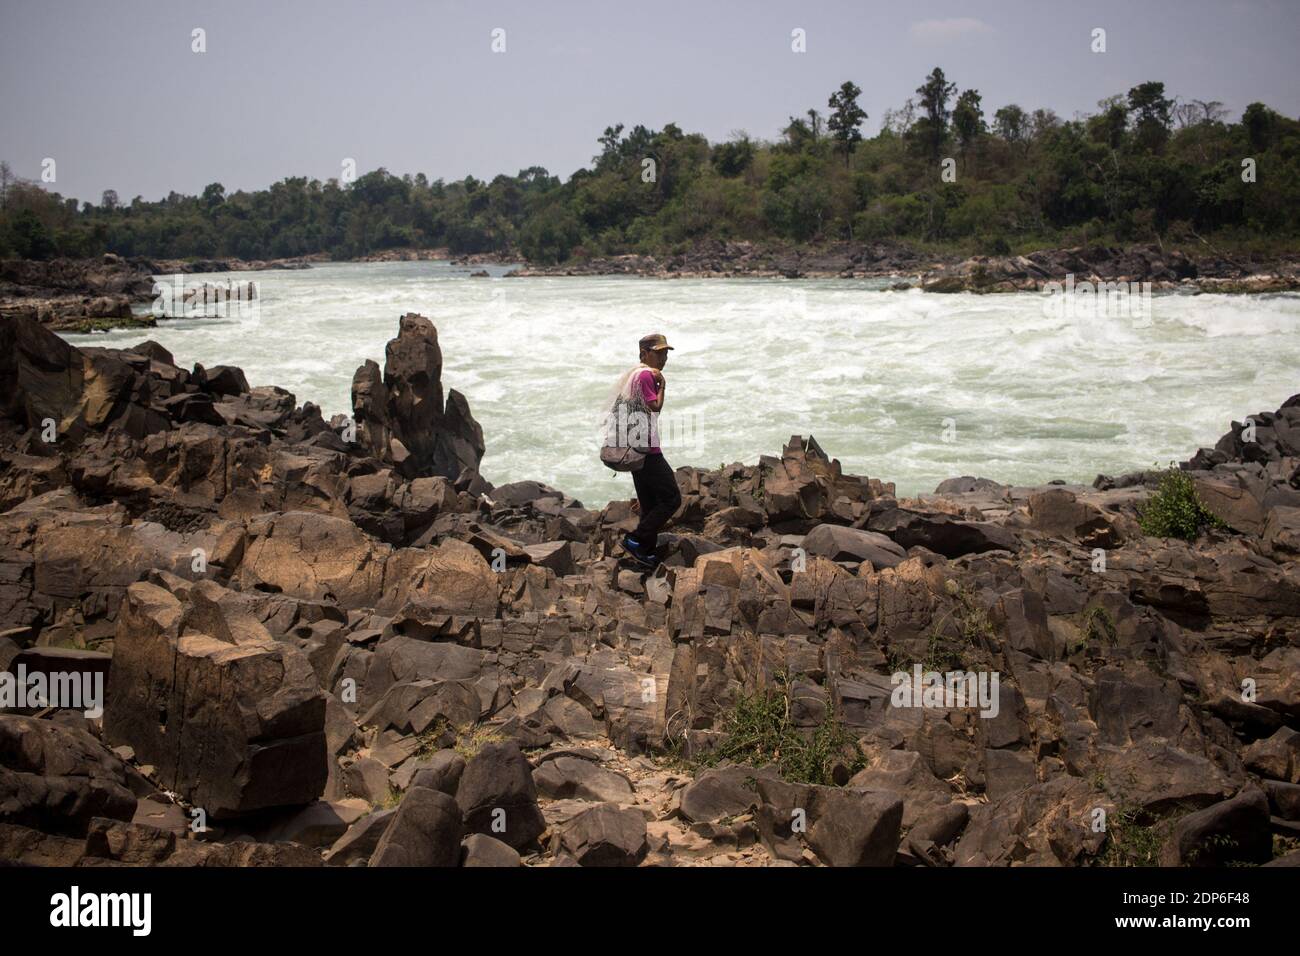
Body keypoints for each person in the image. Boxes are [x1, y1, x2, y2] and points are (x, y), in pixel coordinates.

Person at [612, 332, 682, 567]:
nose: (664, 358)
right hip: (648, 450)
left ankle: (644, 552)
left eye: (665, 353)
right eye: (659, 353)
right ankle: (635, 539)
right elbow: (655, 407)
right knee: (672, 498)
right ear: (644, 354)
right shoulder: (646, 376)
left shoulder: (633, 375)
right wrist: (663, 387)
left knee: (650, 504)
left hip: (635, 447)